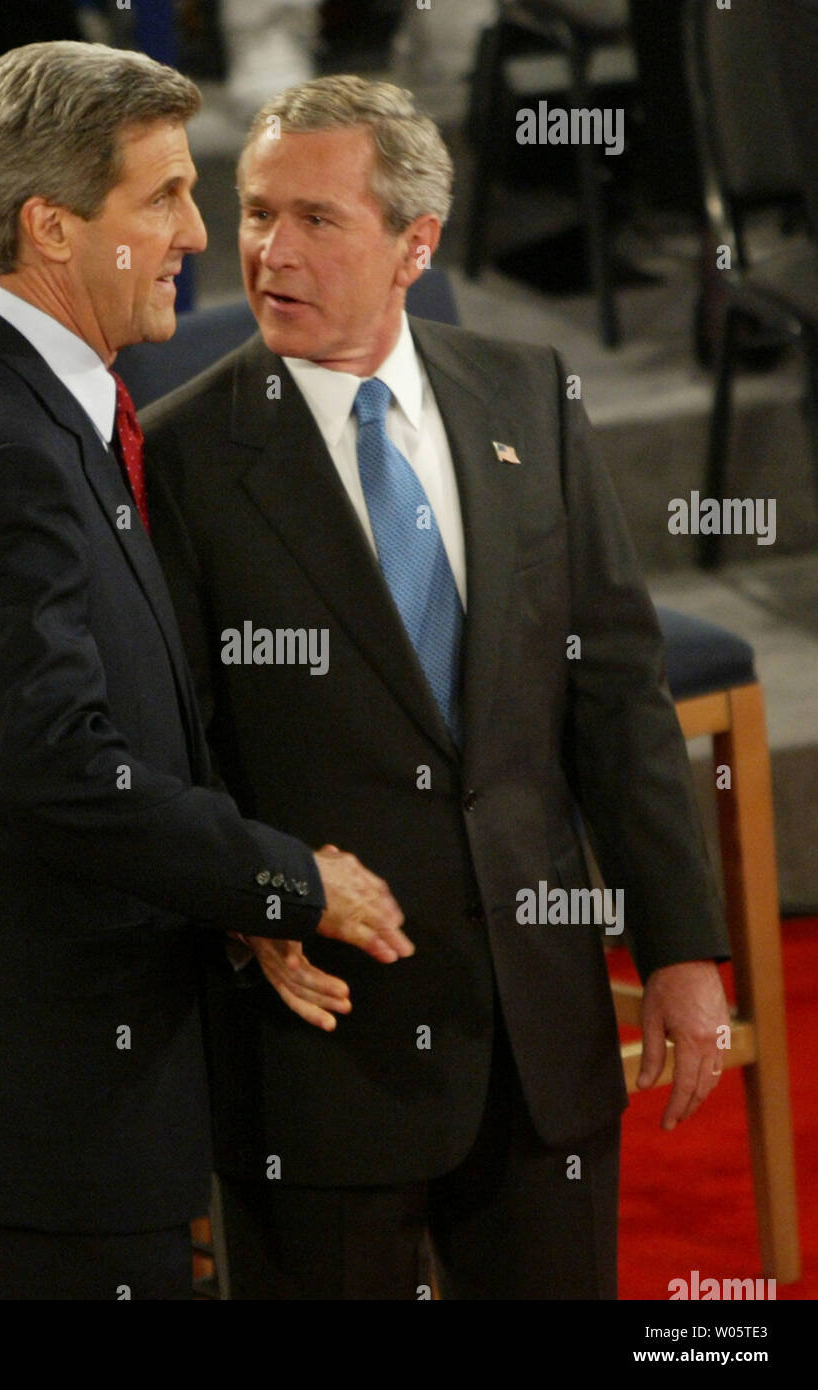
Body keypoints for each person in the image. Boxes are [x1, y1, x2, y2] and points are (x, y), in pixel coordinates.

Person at [0, 44, 410, 1302]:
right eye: (162, 199)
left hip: (40, 1103)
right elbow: (54, 768)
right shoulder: (1, 447)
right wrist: (283, 875)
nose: (203, 233)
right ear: (51, 226)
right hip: (36, 1122)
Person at [142, 74, 732, 1300]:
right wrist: (252, 906)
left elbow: (615, 691)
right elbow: (170, 745)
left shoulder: (529, 393)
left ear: (418, 243)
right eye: (255, 214)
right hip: (320, 1051)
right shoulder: (183, 452)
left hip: (540, 1039)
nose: (269, 252)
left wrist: (679, 946)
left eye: (315, 218)